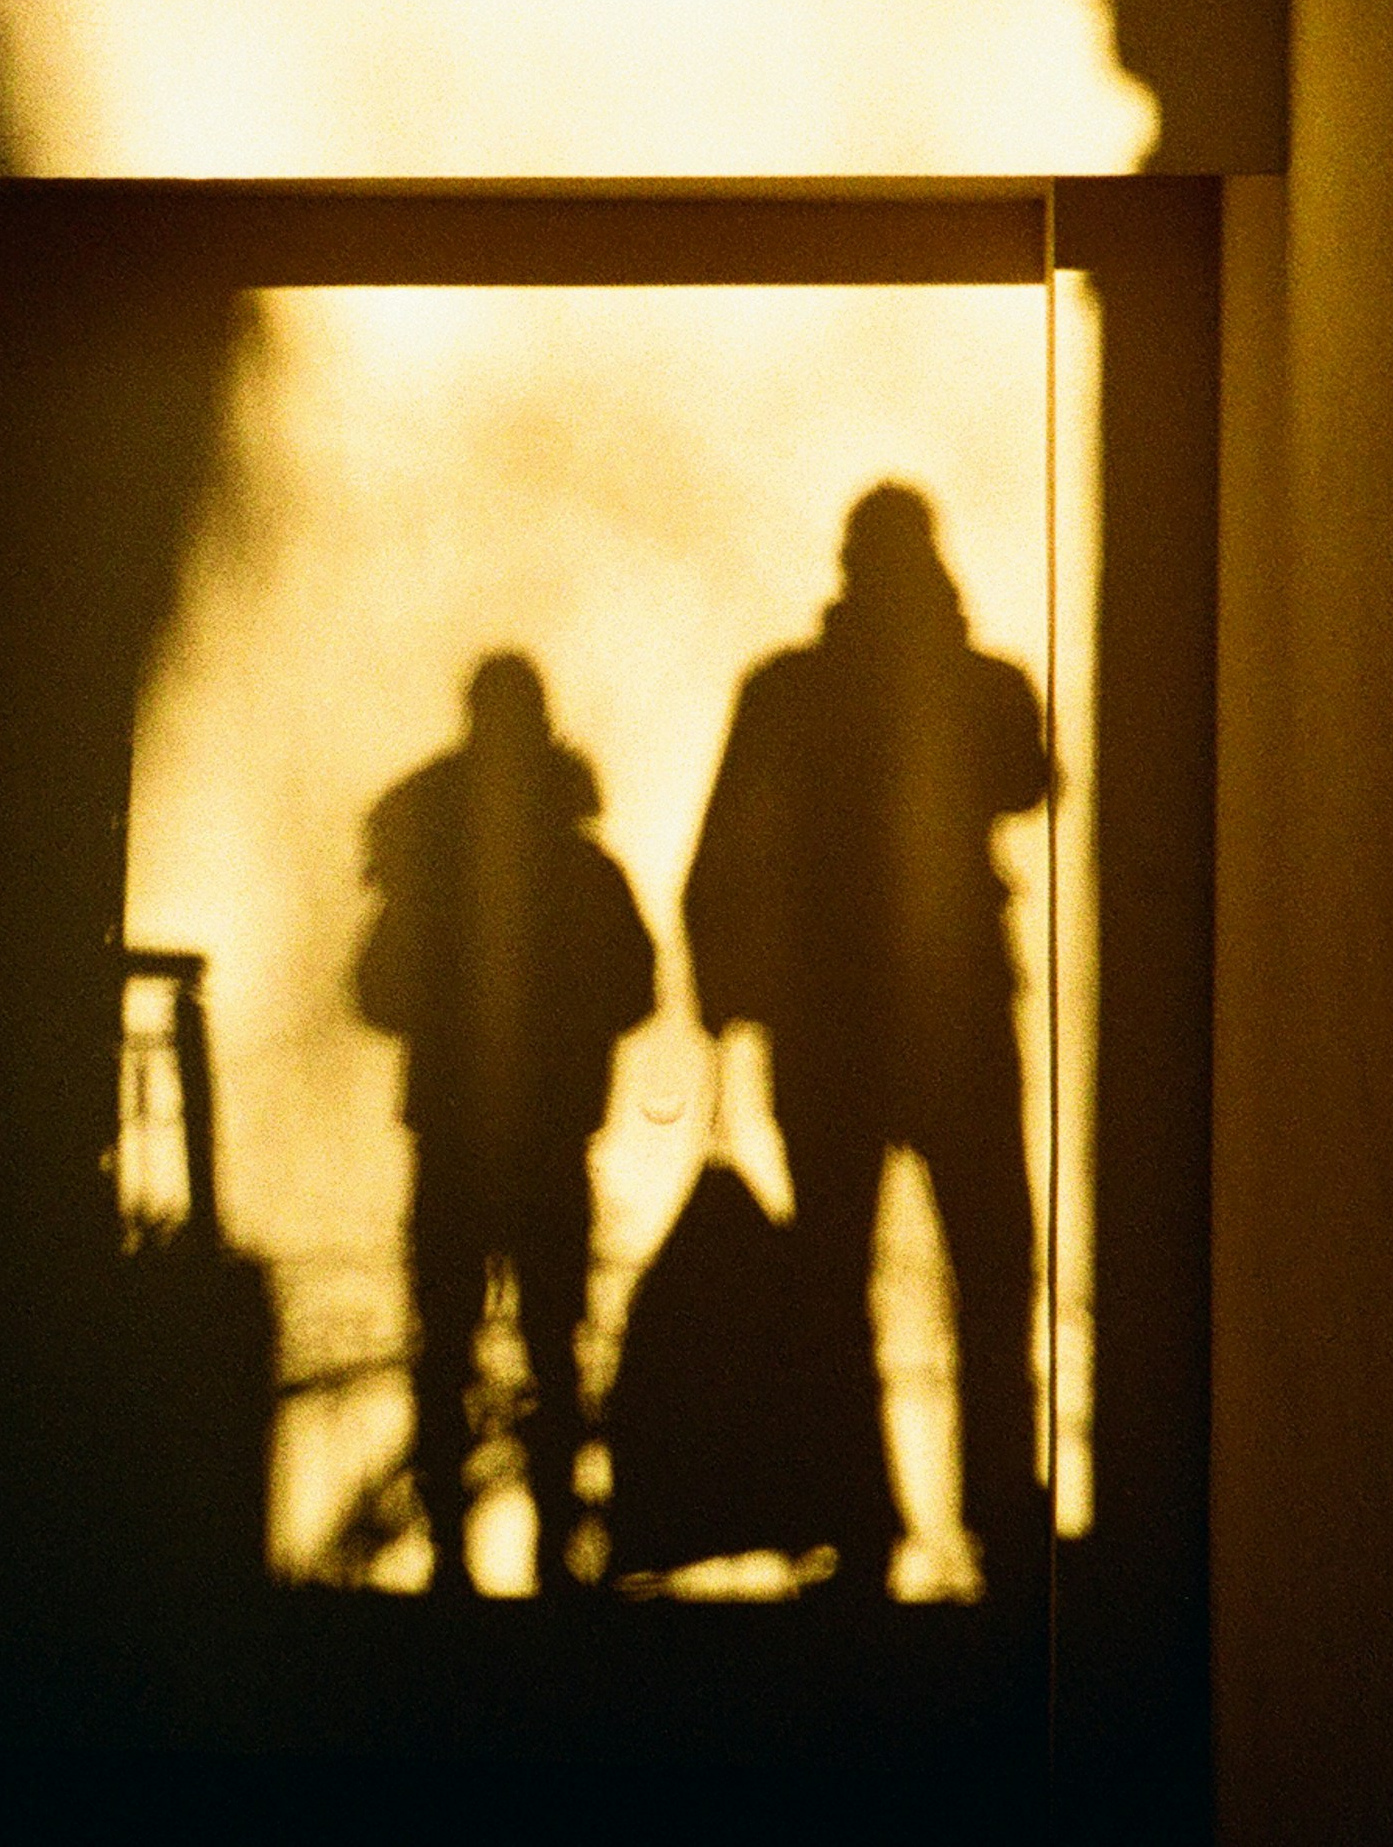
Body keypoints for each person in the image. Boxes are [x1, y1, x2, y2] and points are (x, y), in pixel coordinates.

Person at [683, 485, 1051, 1604]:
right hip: (952, 1024)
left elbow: (720, 855)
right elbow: (1030, 782)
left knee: (829, 1281)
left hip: (828, 1027)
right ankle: (1000, 1510)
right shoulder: (976, 683)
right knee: (990, 1272)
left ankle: (851, 1515)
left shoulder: (786, 691)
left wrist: (726, 993)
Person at [357, 653, 655, 1589]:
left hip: (449, 1135)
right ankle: (559, 1548)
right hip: (550, 1138)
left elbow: (375, 989)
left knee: (443, 1344)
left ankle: (449, 1549)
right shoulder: (583, 865)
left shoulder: (427, 864)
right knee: (553, 1346)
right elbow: (635, 988)